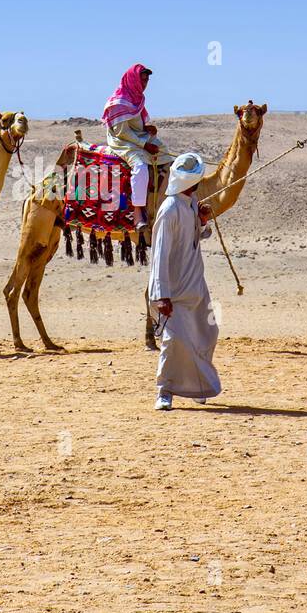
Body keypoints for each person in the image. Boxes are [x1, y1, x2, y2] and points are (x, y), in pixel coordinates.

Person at [147, 152, 221, 411]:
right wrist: (161, 295)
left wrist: (201, 221)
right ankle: (164, 390)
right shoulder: (169, 210)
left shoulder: (191, 202)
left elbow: (193, 239)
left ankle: (198, 387)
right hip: (174, 290)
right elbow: (159, 254)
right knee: (174, 341)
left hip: (196, 286)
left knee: (206, 335)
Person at [102, 63, 172, 230]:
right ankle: (138, 211)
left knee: (165, 153)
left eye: (147, 80)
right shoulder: (118, 102)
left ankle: (157, 195)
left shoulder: (137, 97)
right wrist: (144, 144)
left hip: (137, 136)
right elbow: (122, 132)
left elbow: (136, 124)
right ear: (133, 80)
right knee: (139, 166)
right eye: (143, 80)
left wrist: (147, 129)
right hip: (122, 141)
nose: (145, 84)